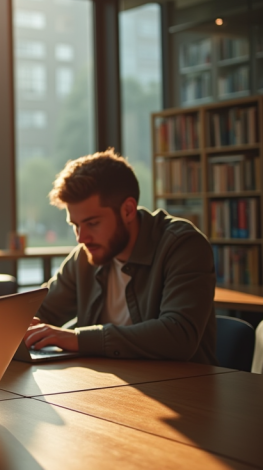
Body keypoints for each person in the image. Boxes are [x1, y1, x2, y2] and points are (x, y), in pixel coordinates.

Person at [23, 149, 217, 364]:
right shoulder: (85, 256)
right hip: (107, 381)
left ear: (128, 210)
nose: (81, 238)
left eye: (92, 223)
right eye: (75, 225)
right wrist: (19, 327)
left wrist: (78, 339)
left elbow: (179, 336)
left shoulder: (182, 245)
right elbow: (39, 312)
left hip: (181, 382)